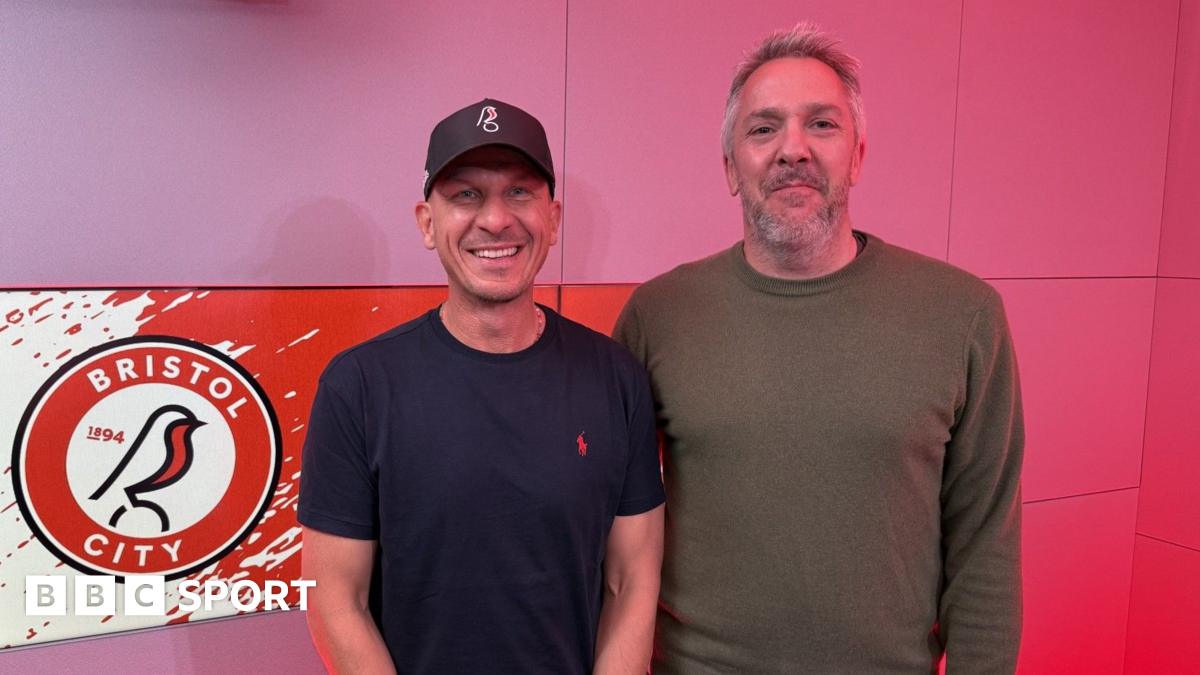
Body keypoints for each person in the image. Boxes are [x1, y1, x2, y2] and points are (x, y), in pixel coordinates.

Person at [614, 25, 1023, 673]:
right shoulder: (656, 316)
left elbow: (985, 548)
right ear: (730, 168)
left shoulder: (964, 316)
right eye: (763, 128)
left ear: (857, 156)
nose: (793, 150)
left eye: (822, 124)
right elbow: (617, 538)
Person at [299, 98, 665, 674]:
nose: (495, 219)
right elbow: (335, 602)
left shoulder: (616, 379)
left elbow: (631, 581)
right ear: (428, 223)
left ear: (553, 218)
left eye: (518, 191)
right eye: (466, 194)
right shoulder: (359, 387)